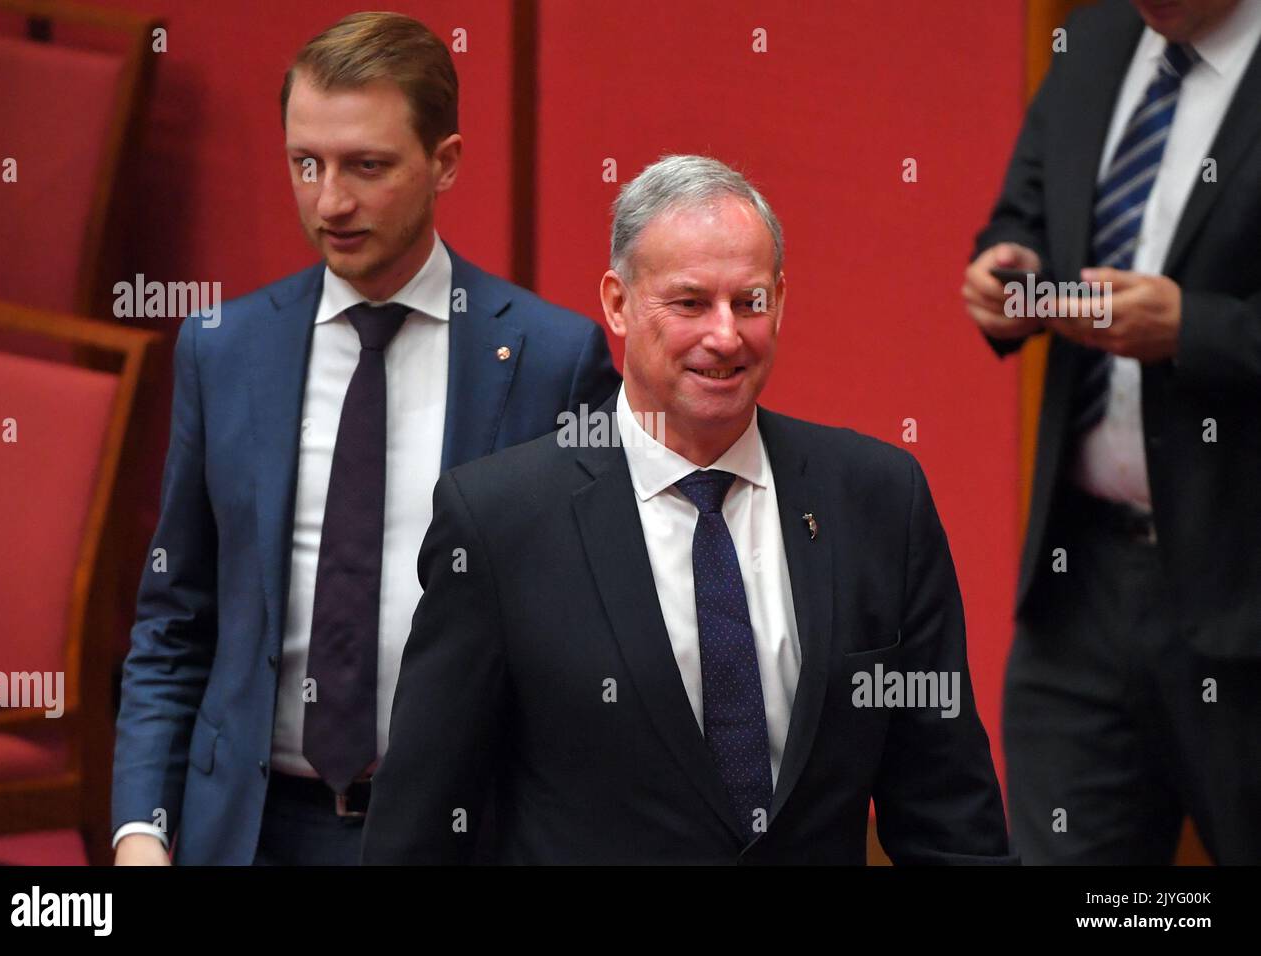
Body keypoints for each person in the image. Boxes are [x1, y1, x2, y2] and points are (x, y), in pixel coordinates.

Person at [361, 155, 1014, 865]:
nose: (727, 336)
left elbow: (948, 811)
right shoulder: (498, 522)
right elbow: (420, 829)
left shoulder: (878, 499)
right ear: (617, 303)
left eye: (751, 302)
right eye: (691, 303)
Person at [112, 12, 619, 866]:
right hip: (244, 831)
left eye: (367, 166)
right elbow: (175, 620)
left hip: (453, 836)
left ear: (445, 163)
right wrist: (139, 833)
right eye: (305, 163)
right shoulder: (223, 349)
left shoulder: (550, 361)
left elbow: (596, 644)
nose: (330, 201)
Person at [964, 0, 1261, 863]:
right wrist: (1007, 273)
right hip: (1079, 587)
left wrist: (1192, 330)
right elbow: (1024, 215)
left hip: (1242, 593)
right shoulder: (1093, 40)